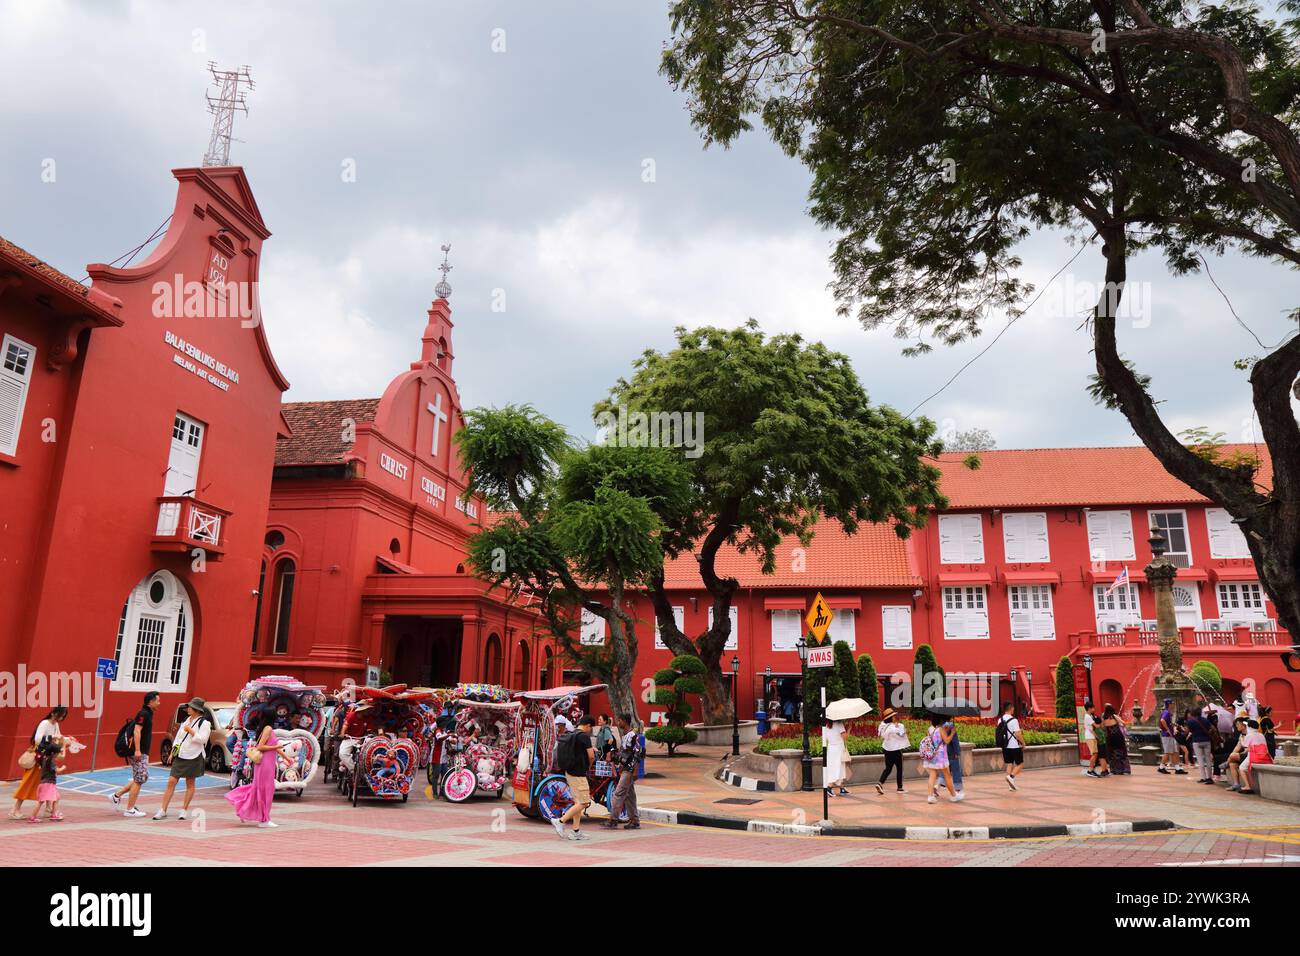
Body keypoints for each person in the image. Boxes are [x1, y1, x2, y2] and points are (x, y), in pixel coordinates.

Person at [153, 698, 212, 821]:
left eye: (190, 707)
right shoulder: (185, 721)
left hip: (194, 755)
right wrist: (172, 752)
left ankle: (184, 809)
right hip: (181, 754)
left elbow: (203, 740)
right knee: (171, 781)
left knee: (190, 783)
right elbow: (179, 739)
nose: (188, 709)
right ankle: (163, 810)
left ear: (196, 709)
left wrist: (191, 731)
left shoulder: (204, 723)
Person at [224, 711, 286, 827]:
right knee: (265, 790)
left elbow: (274, 746)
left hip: (267, 763)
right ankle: (264, 820)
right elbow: (260, 747)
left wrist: (286, 757)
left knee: (264, 789)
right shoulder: (267, 728)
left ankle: (263, 818)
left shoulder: (267, 728)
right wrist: (276, 746)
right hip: (265, 762)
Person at [10, 706, 67, 820]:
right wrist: (53, 737)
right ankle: (15, 810)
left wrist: (67, 739)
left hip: (47, 757)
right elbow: (37, 739)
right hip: (38, 757)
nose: (60, 719)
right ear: (53, 713)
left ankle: (48, 809)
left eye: (62, 717)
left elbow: (59, 737)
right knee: (29, 782)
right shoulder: (44, 723)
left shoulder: (55, 724)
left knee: (49, 782)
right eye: (59, 716)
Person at [112, 691, 161, 817]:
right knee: (139, 780)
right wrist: (138, 750)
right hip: (139, 751)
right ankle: (129, 809)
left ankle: (116, 795)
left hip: (141, 751)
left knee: (140, 778)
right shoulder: (143, 714)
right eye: (157, 700)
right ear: (151, 702)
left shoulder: (147, 713)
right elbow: (137, 731)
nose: (159, 703)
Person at [552, 714, 596, 842]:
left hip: (569, 772)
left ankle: (575, 831)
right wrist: (588, 766)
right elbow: (591, 756)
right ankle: (560, 821)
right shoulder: (584, 736)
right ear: (588, 725)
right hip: (578, 774)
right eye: (591, 727)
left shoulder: (572, 734)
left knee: (578, 802)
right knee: (584, 802)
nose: (590, 730)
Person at [602, 713, 642, 831]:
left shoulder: (633, 736)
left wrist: (635, 771)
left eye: (619, 721)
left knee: (618, 794)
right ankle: (634, 821)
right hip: (625, 769)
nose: (618, 723)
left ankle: (613, 820)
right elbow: (624, 753)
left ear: (624, 721)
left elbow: (638, 754)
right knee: (630, 796)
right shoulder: (625, 735)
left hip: (629, 770)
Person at [921, 713, 959, 803]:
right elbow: (947, 740)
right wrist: (952, 733)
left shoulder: (930, 729)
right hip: (941, 756)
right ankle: (953, 795)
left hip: (932, 754)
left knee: (932, 775)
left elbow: (932, 740)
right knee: (947, 775)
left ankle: (930, 796)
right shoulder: (941, 729)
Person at [28, 738, 66, 824]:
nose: (58, 755)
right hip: (48, 783)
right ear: (53, 753)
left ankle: (54, 814)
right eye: (57, 753)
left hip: (46, 782)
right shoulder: (51, 761)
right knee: (41, 801)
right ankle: (33, 817)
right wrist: (63, 767)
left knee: (57, 798)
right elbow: (57, 770)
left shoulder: (45, 758)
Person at [875, 708, 908, 794]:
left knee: (888, 768)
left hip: (887, 749)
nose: (895, 717)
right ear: (891, 717)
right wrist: (898, 727)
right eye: (894, 716)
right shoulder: (895, 727)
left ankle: (880, 783)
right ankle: (900, 787)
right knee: (899, 768)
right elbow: (902, 734)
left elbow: (880, 734)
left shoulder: (882, 726)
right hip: (896, 750)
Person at [1237, 719, 1272, 795]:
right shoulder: (1261, 735)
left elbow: (1245, 746)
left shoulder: (1249, 735)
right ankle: (1249, 785)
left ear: (1249, 727)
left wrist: (1241, 739)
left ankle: (1247, 786)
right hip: (1264, 756)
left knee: (1242, 768)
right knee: (1245, 768)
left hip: (1253, 756)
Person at [997, 701, 1024, 790]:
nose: (1014, 710)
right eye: (1013, 708)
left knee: (1009, 764)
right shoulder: (1014, 720)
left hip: (1005, 746)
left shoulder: (1000, 720)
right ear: (1011, 708)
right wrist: (1023, 743)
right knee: (1020, 764)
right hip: (1014, 746)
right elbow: (1018, 733)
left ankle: (1010, 786)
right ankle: (1011, 777)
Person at [1157, 697, 1186, 775]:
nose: (1173, 705)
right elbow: (1162, 720)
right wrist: (1168, 730)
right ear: (1169, 704)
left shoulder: (1166, 712)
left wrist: (1173, 725)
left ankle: (1177, 768)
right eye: (1172, 703)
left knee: (1174, 752)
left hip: (1169, 735)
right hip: (1167, 735)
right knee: (1168, 752)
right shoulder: (1166, 712)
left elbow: (1166, 721)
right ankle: (1161, 767)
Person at [822, 717, 850, 797]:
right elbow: (845, 737)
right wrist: (849, 729)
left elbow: (826, 738)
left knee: (833, 768)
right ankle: (829, 787)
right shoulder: (839, 724)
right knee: (838, 768)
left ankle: (842, 788)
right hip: (838, 749)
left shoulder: (826, 726)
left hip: (831, 749)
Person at [1187, 708, 1215, 784]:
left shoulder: (1190, 721)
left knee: (1200, 760)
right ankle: (1209, 778)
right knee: (1208, 759)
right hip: (1206, 740)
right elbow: (1212, 728)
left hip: (1196, 741)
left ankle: (1203, 777)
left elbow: (1188, 731)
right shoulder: (1205, 720)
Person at [1102, 704, 1131, 774]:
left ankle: (1115, 770)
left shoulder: (1103, 718)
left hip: (1109, 737)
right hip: (1118, 737)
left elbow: (1102, 727)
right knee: (1122, 752)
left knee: (1112, 753)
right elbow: (1123, 723)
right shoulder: (1114, 716)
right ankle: (1124, 769)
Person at [1084, 702, 1109, 777]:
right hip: (1090, 737)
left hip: (1091, 736)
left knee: (1095, 753)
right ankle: (1090, 770)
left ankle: (1091, 770)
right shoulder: (1088, 717)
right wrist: (1102, 723)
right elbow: (1096, 726)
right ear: (1089, 708)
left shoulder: (1089, 716)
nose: (1094, 709)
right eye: (1093, 708)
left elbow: (1091, 728)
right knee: (1094, 754)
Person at [941, 716, 962, 794]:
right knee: (956, 770)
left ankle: (937, 785)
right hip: (952, 751)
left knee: (945, 771)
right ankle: (957, 789)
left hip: (943, 751)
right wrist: (957, 752)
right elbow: (954, 740)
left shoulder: (941, 726)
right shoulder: (951, 726)